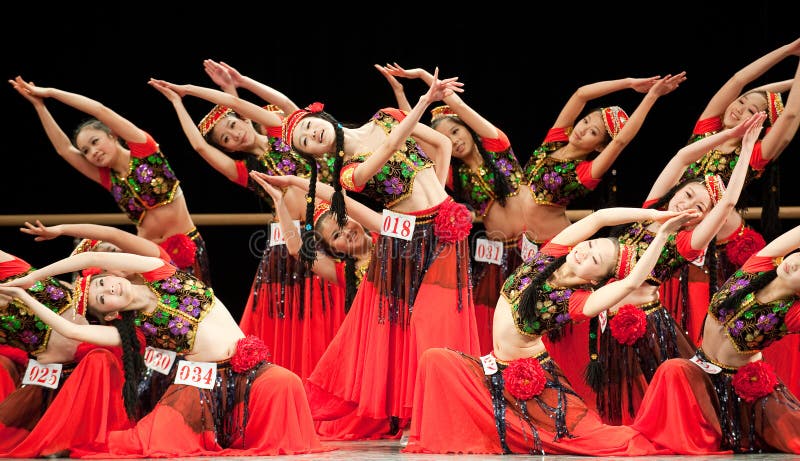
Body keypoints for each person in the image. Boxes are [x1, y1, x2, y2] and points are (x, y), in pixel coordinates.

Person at [277, 68, 480, 439]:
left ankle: (444, 412)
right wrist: (423, 102)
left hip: (445, 227)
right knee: (417, 325)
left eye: (308, 126)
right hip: (406, 243)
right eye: (305, 142)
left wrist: (440, 201)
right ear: (315, 156)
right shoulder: (347, 174)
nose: (311, 135)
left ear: (321, 116)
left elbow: (442, 144)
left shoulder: (386, 116)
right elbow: (387, 150)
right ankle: (418, 415)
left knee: (446, 322)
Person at [402, 206, 699, 455]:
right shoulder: (550, 255)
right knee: (434, 360)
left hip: (530, 379)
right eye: (590, 245)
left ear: (594, 280)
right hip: (494, 367)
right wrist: (653, 215)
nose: (584, 252)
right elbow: (599, 218)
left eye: (594, 260)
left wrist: (662, 235)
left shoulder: (576, 301)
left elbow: (631, 283)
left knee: (594, 440)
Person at [0, 250, 329, 457]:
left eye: (102, 283)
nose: (108, 289)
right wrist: (25, 297)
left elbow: (88, 259)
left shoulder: (160, 273)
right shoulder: (136, 331)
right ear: (111, 313)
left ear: (112, 274)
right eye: (101, 298)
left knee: (287, 383)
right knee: (158, 441)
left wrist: (34, 278)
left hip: (247, 370)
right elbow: (73, 331)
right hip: (202, 387)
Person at [149, 70, 346, 380]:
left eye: (233, 125)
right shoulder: (246, 173)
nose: (234, 135)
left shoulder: (283, 135)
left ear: (243, 119)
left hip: (326, 231)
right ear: (228, 149)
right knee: (293, 320)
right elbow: (200, 148)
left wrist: (232, 85)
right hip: (286, 250)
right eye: (226, 139)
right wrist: (177, 103)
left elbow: (275, 103)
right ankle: (295, 382)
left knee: (328, 311)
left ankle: (328, 378)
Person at [587, 112, 768, 425]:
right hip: (611, 318)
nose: (687, 206)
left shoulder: (684, 242)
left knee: (658, 404)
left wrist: (747, 147)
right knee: (622, 404)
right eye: (687, 195)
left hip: (646, 327)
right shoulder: (651, 210)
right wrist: (729, 134)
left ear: (704, 219)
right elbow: (683, 157)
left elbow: (727, 204)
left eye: (699, 208)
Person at [376, 63, 529, 355]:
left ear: (467, 128)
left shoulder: (499, 149)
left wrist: (425, 77)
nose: (455, 141)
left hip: (530, 248)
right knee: (495, 328)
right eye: (447, 139)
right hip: (497, 258)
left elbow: (460, 106)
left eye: (457, 131)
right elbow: (416, 136)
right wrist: (401, 93)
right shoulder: (452, 175)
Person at [8, 77, 211, 286]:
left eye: (95, 142)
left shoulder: (145, 150)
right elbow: (64, 149)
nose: (93, 152)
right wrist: (40, 106)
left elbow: (99, 110)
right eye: (85, 151)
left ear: (112, 134)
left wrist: (51, 92)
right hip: (147, 254)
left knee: (194, 303)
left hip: (185, 246)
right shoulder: (108, 178)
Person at [631, 222, 800, 454]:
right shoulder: (760, 265)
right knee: (672, 370)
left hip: (740, 392)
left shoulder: (793, 313)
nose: (795, 264)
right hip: (702, 371)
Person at [520, 72, 686, 246]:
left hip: (551, 244)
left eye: (593, 132)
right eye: (585, 121)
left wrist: (652, 95)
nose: (583, 130)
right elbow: (580, 94)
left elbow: (620, 141)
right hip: (519, 235)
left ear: (600, 147)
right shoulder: (554, 142)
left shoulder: (584, 172)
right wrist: (629, 83)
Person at [0, 246, 128, 457]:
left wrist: (23, 292)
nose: (107, 289)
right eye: (100, 284)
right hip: (48, 307)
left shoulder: (108, 333)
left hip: (60, 349)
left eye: (102, 297)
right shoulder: (55, 289)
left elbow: (71, 332)